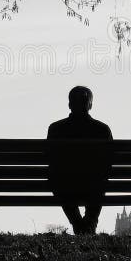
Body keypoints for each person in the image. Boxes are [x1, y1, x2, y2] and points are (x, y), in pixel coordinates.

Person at [47, 86, 113, 234]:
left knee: (59, 179)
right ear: (90, 105)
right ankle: (89, 224)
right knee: (99, 181)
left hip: (66, 186)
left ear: (69, 105)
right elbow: (109, 163)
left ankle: (78, 224)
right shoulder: (102, 130)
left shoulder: (56, 129)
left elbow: (50, 160)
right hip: (93, 186)